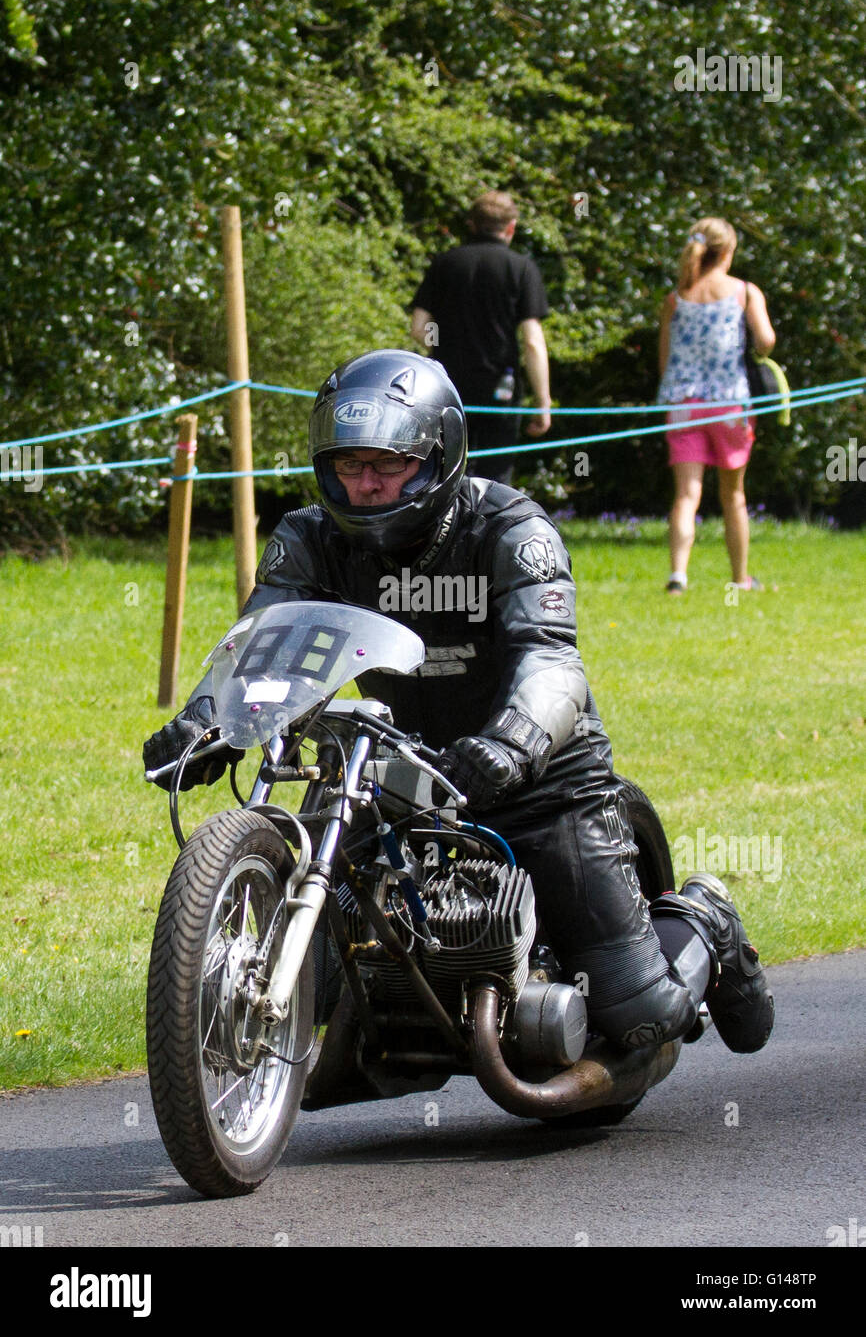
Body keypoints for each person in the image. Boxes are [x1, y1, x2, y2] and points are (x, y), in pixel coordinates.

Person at [143, 349, 774, 1058]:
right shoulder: (310, 539)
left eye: (388, 464)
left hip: (542, 784)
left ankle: (705, 918)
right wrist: (207, 724)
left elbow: (552, 660)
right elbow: (260, 645)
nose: (368, 485)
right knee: (317, 974)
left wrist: (511, 745)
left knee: (640, 1014)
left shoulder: (511, 529)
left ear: (438, 453)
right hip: (393, 785)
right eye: (349, 466)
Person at [658, 217, 776, 594]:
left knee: (686, 495)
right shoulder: (744, 291)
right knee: (734, 495)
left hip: (683, 404)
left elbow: (665, 361)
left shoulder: (675, 299)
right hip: (729, 405)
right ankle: (739, 578)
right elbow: (765, 340)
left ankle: (678, 576)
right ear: (728, 251)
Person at [410, 190, 551, 484]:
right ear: (510, 227)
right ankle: (491, 528)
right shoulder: (522, 268)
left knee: (443, 474)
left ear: (471, 225)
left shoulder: (445, 263)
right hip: (500, 390)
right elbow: (533, 342)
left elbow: (419, 328)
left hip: (445, 386)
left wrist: (444, 347)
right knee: (495, 481)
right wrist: (543, 402)